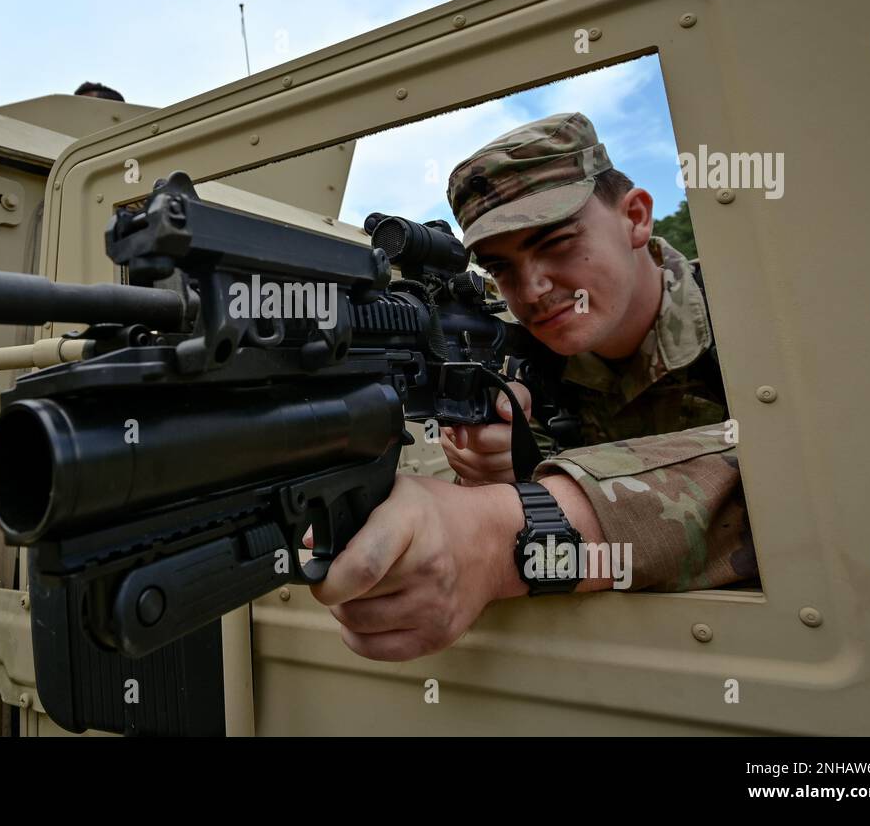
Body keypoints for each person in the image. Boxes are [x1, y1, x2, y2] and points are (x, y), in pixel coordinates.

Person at [309, 112, 758, 662]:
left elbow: (799, 481)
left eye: (559, 243)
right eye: (502, 267)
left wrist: (504, 531)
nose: (534, 288)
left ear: (636, 218)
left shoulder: (759, 318)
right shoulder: (522, 360)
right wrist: (506, 474)